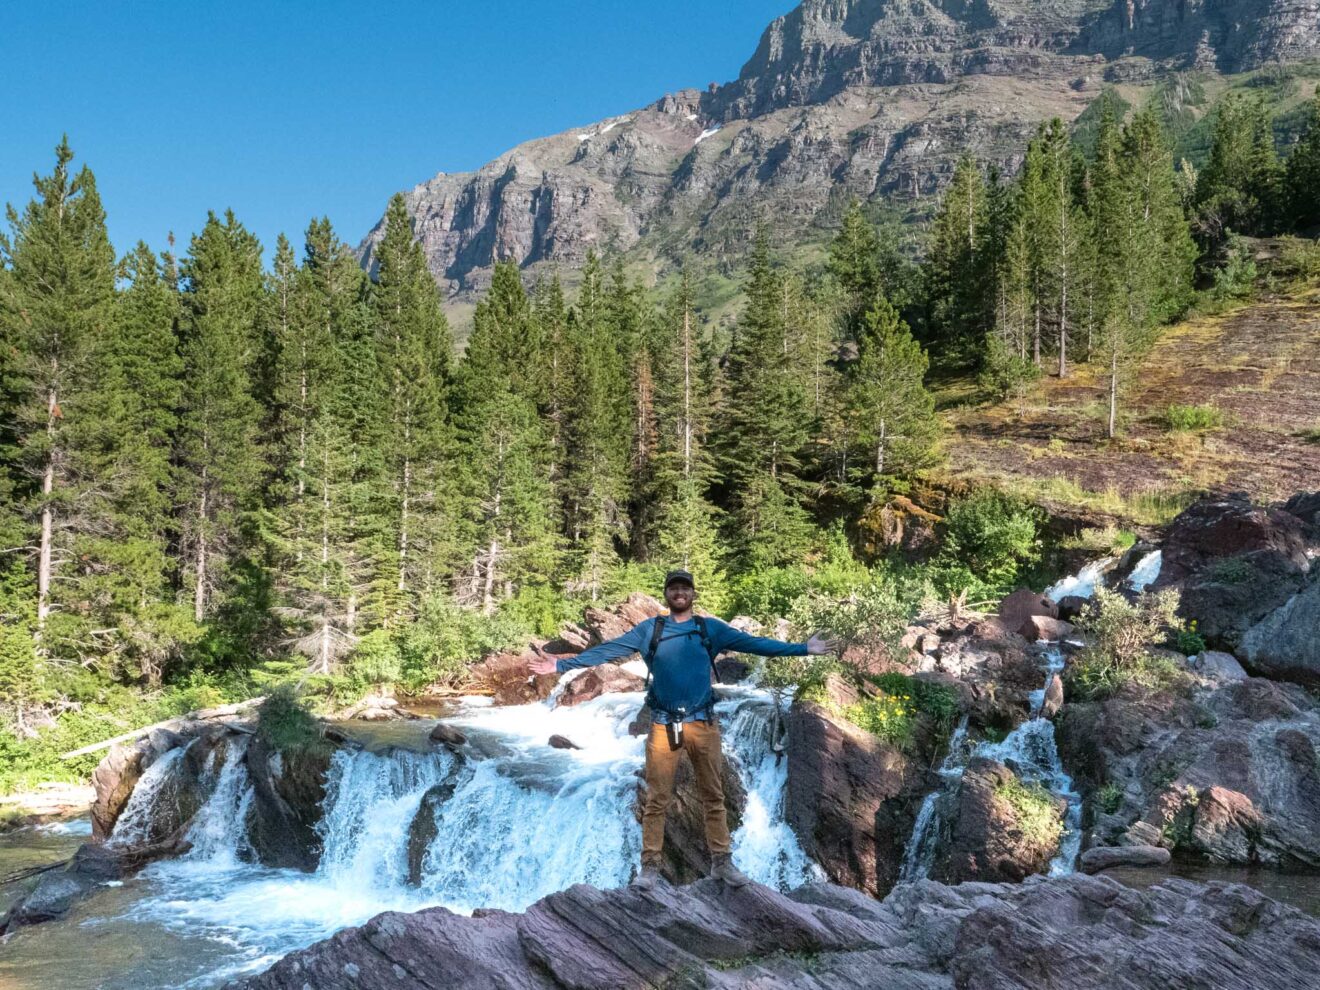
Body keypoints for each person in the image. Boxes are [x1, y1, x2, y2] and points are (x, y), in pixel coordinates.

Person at [528, 568, 837, 890]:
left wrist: (804, 648)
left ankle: (722, 864)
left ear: (693, 594)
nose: (680, 593)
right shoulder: (651, 629)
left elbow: (755, 644)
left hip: (703, 723)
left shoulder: (710, 629)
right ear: (666, 594)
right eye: (674, 588)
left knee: (713, 796)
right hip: (663, 725)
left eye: (685, 588)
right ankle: (649, 869)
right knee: (657, 798)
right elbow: (610, 650)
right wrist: (561, 664)